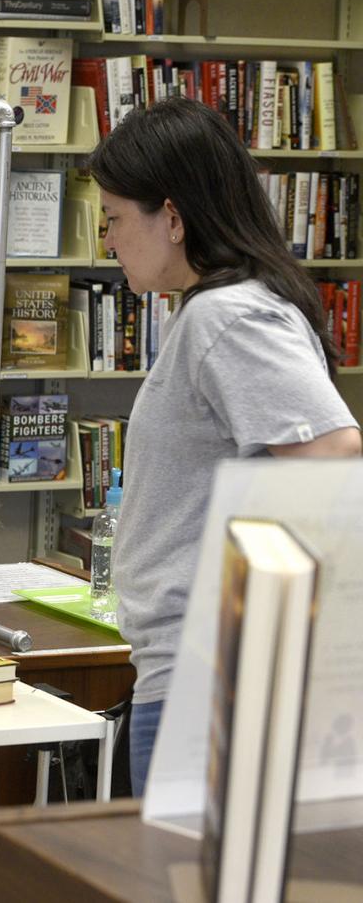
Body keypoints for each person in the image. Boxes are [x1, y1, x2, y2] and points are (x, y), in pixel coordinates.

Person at [88, 97, 362, 796]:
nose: (108, 240)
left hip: (210, 681)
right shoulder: (219, 310)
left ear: (172, 218)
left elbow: (333, 457)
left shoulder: (227, 315)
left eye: (116, 218)